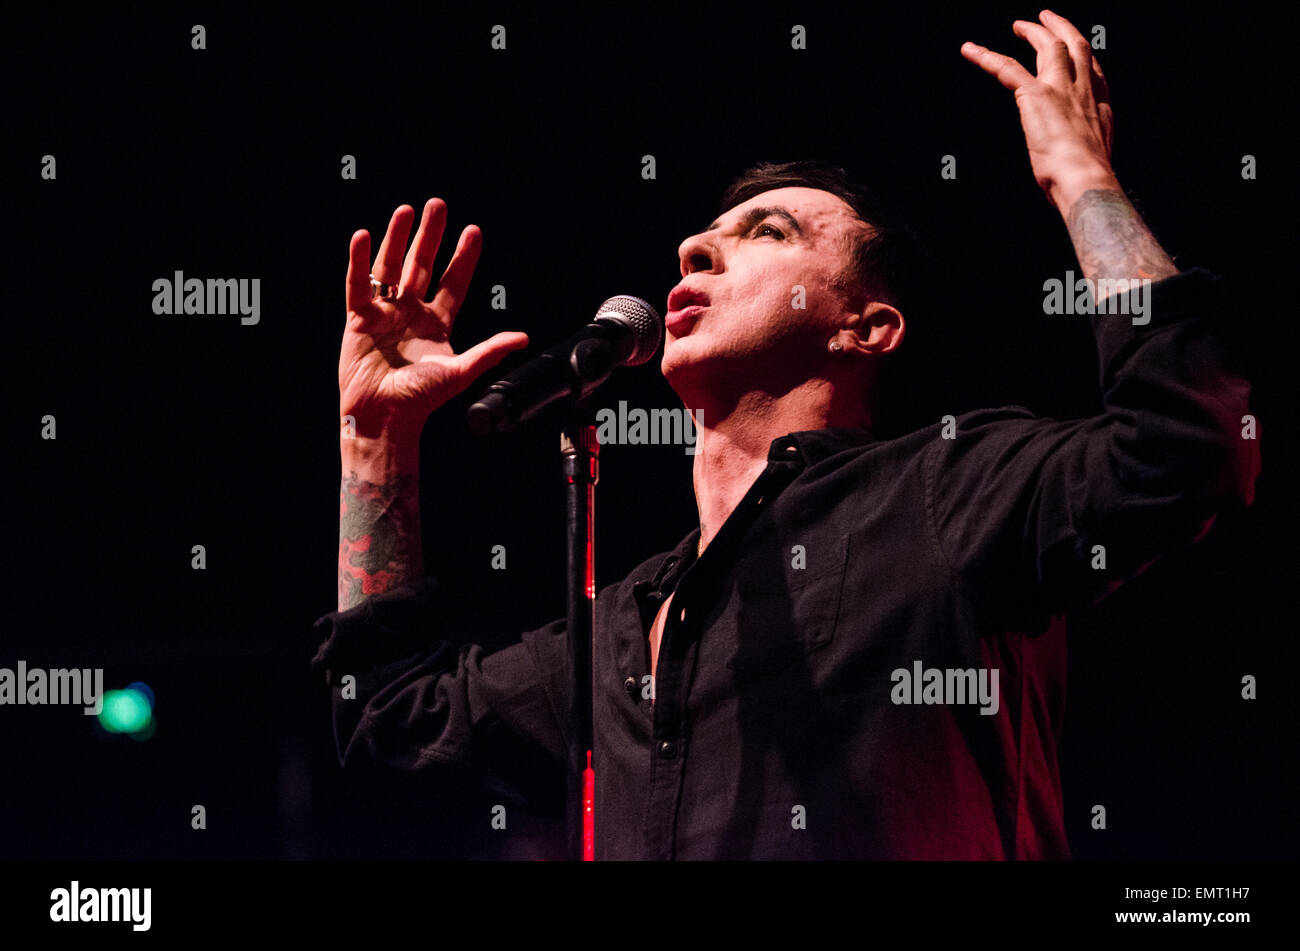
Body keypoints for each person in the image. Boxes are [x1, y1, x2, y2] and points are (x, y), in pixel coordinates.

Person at [311, 11, 1259, 858]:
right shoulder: (632, 622)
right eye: (704, 236)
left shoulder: (946, 488)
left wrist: (1079, 177)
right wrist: (374, 440)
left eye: (767, 232)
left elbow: (1183, 445)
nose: (695, 249)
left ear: (866, 325)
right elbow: (391, 717)